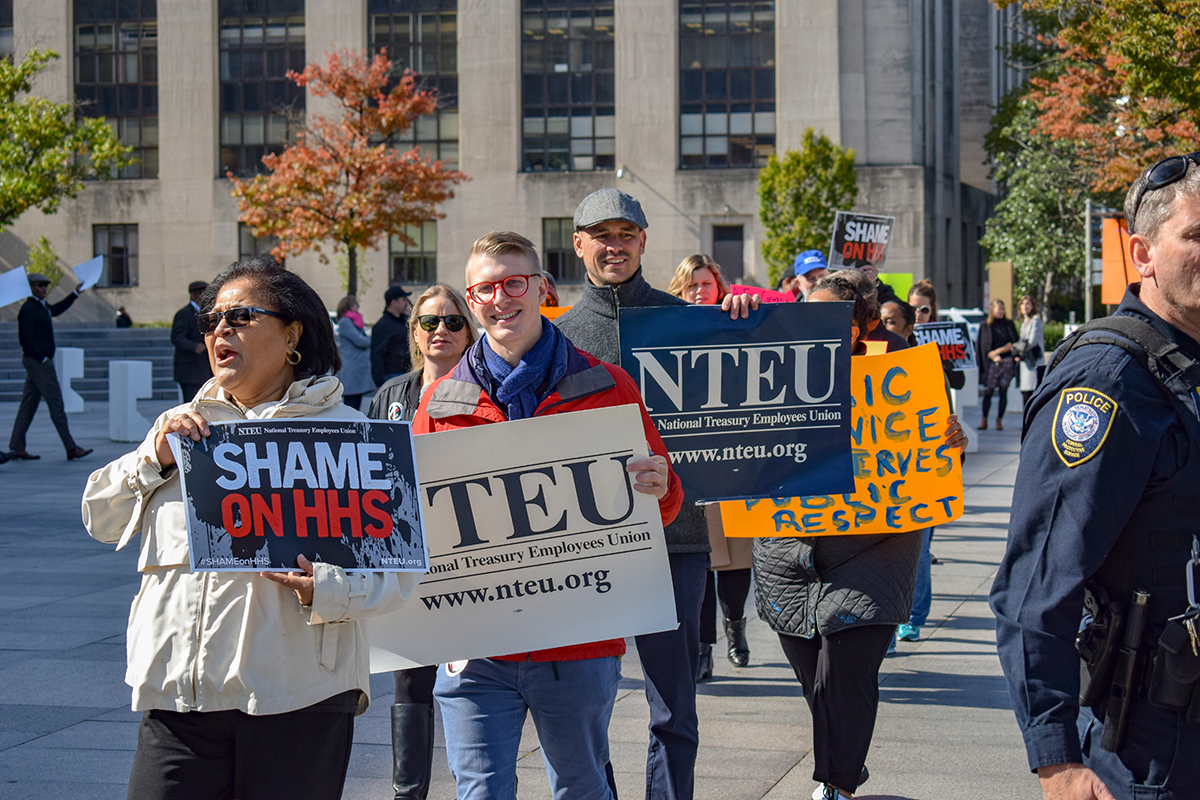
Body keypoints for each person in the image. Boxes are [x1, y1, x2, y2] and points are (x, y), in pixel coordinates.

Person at [81, 255, 418, 800]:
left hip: (298, 704)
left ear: (292, 335)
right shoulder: (179, 431)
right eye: (210, 320)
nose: (220, 330)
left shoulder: (353, 435)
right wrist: (153, 459)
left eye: (239, 316)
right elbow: (101, 519)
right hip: (179, 704)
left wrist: (326, 588)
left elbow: (398, 575)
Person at [415, 231, 682, 800]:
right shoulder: (438, 402)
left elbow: (664, 505)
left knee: (582, 789)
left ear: (542, 289)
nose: (500, 299)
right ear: (472, 299)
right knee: (479, 793)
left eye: (514, 283)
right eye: (485, 288)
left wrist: (659, 487)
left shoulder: (608, 386)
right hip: (475, 648)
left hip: (577, 644)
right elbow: (415, 524)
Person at [989, 152, 1200, 800]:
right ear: (1142, 254)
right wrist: (1056, 759)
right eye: (1196, 236)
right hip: (1149, 750)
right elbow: (1036, 582)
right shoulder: (1109, 382)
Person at [555, 188, 757, 800]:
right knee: (583, 706)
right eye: (602, 236)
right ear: (579, 245)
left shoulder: (693, 321)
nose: (614, 246)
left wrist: (750, 319)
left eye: (626, 235)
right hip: (586, 547)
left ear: (644, 242)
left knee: (674, 708)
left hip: (679, 541)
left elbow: (752, 382)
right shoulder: (555, 338)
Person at [757, 273, 967, 800]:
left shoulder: (903, 373)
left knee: (845, 671)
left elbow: (931, 458)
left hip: (874, 550)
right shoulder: (768, 369)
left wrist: (950, 445)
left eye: (823, 315)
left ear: (856, 327)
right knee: (816, 677)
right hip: (790, 551)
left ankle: (837, 784)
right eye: (804, 312)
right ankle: (846, 760)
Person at [368, 284, 476, 800]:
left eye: (453, 321)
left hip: (471, 556)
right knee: (409, 680)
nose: (441, 331)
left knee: (473, 682)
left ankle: (479, 783)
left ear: (469, 332)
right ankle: (407, 793)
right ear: (414, 332)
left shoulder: (487, 391)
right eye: (430, 322)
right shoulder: (391, 396)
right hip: (407, 555)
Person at [666, 254, 749, 678]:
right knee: (700, 561)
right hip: (688, 465)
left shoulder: (736, 322)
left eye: (706, 284)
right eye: (692, 285)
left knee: (736, 559)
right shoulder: (665, 328)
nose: (700, 292)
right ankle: (703, 649)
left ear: (719, 288)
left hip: (731, 459)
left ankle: (736, 629)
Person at [6, 272, 92, 461]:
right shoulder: (28, 308)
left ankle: (17, 447)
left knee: (28, 405)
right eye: (39, 285)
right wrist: (42, 358)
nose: (44, 288)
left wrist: (75, 293)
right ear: (30, 287)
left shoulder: (41, 306)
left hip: (38, 362)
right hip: (38, 363)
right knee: (56, 403)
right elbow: (25, 339)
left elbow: (56, 309)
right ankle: (71, 447)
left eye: (45, 285)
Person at [978, 298, 1019, 430]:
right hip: (990, 364)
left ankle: (999, 420)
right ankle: (984, 420)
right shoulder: (985, 325)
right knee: (988, 391)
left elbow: (1013, 342)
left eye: (1003, 308)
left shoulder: (1008, 324)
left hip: (1006, 362)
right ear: (992, 309)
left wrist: (997, 352)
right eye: (999, 308)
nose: (1002, 311)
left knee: (1003, 391)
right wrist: (988, 359)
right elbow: (980, 346)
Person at [171, 280, 214, 403]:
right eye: (202, 293)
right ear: (193, 295)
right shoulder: (184, 314)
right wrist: (194, 347)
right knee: (192, 405)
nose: (205, 297)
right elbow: (177, 337)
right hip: (190, 371)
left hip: (207, 370)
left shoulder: (209, 313)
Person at [334, 295, 374, 412]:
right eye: (355, 304)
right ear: (348, 305)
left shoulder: (355, 321)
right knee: (351, 405)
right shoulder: (345, 322)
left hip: (358, 368)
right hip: (352, 368)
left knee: (356, 402)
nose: (358, 306)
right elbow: (360, 341)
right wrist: (372, 340)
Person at [371, 284, 413, 387]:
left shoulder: (403, 321)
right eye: (403, 300)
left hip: (407, 373)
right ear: (394, 302)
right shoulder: (383, 325)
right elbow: (377, 354)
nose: (406, 303)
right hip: (392, 376)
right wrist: (380, 381)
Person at [1016, 294, 1045, 409]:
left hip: (1033, 360)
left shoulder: (1035, 320)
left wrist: (1017, 349)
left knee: (1032, 391)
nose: (1025, 306)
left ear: (1033, 306)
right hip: (1025, 360)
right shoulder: (1025, 321)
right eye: (1022, 304)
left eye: (1028, 304)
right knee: (1025, 393)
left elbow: (1032, 341)